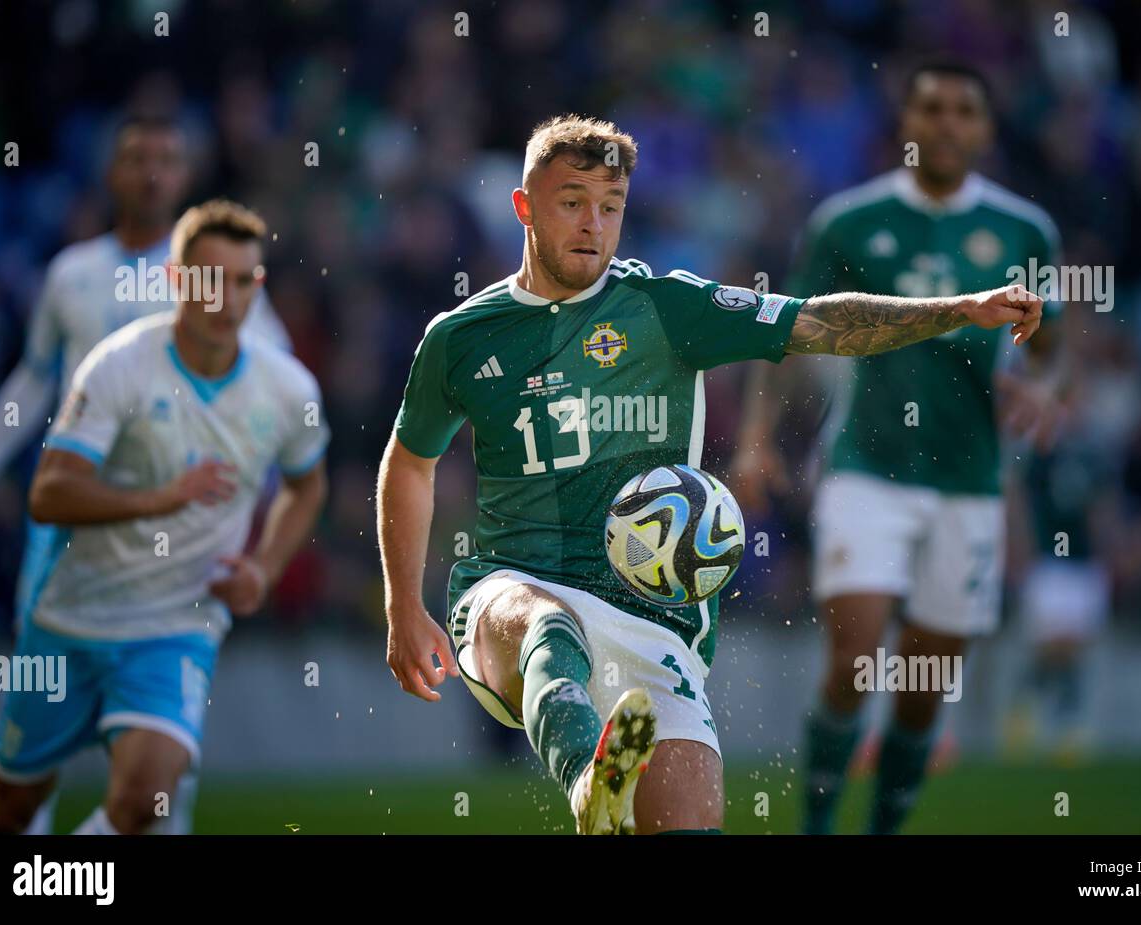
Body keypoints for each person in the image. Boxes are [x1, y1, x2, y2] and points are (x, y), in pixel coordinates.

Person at [378, 113, 1043, 834]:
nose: (592, 224)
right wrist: (403, 605)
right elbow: (410, 464)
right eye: (572, 201)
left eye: (611, 205)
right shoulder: (461, 338)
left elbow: (819, 322)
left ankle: (611, 781)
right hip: (512, 587)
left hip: (652, 616)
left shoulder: (667, 308)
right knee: (544, 621)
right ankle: (587, 785)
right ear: (525, 205)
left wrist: (958, 310)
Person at [732, 63, 1066, 834]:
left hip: (969, 478)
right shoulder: (848, 221)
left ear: (983, 129)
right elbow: (782, 331)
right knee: (854, 654)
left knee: (921, 688)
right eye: (932, 108)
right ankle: (817, 827)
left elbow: (1053, 347)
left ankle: (882, 827)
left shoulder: (1025, 231)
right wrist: (754, 438)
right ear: (907, 124)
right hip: (865, 465)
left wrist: (1049, 388)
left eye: (964, 110)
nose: (947, 123)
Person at [0, 200, 328, 835]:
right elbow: (48, 494)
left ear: (258, 287)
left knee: (143, 802)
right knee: (10, 813)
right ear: (178, 281)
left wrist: (263, 570)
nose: (229, 298)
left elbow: (308, 484)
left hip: (176, 624)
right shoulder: (117, 363)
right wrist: (157, 500)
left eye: (244, 281)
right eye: (212, 279)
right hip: (72, 619)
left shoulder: (288, 388)